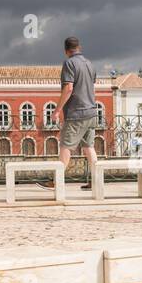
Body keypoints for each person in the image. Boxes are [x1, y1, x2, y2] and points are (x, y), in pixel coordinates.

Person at [40, 36, 98, 190]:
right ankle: (97, 181)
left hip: (76, 114)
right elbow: (91, 87)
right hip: (92, 112)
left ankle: (56, 182)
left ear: (66, 51)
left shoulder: (69, 63)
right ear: (79, 48)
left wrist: (57, 111)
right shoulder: (90, 64)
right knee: (89, 147)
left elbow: (69, 88)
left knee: (66, 146)